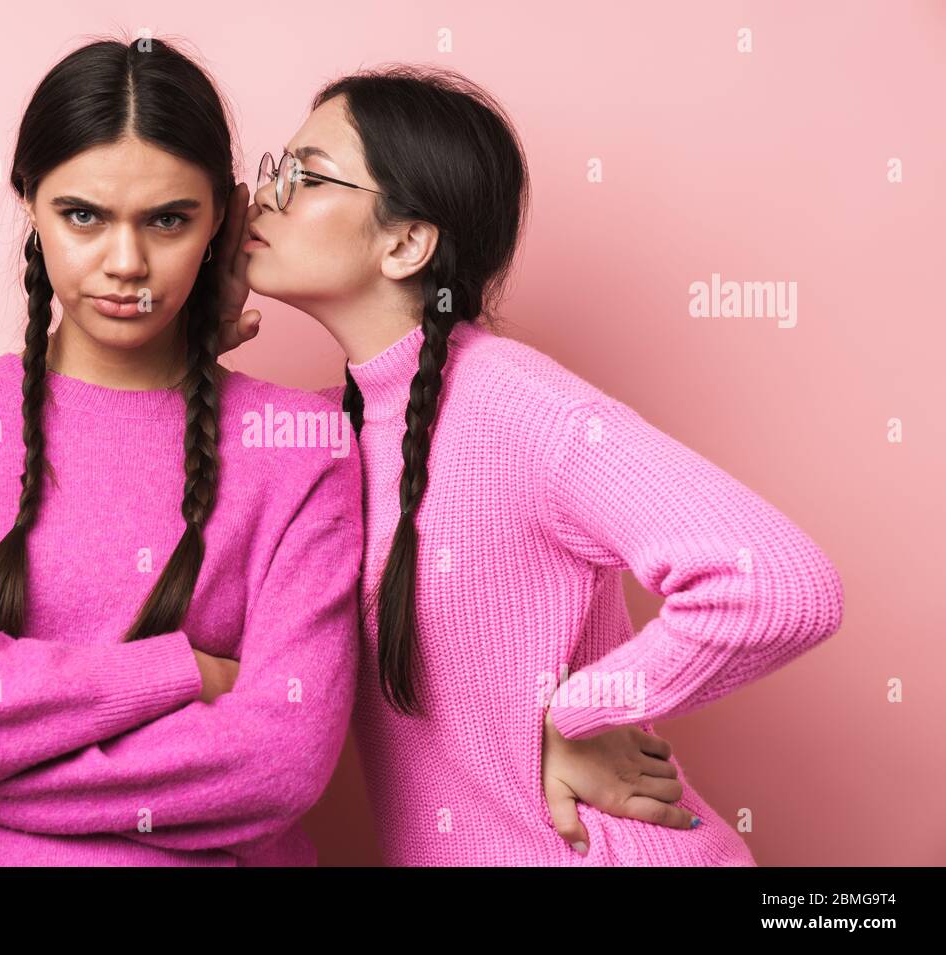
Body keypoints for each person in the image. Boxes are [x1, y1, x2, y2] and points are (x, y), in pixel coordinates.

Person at [219, 64, 845, 864]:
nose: (266, 195)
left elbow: (781, 581)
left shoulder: (510, 402)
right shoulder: (324, 430)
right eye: (280, 166)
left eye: (306, 175)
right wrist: (192, 347)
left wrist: (577, 713)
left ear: (407, 243)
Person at [0, 36, 363, 866]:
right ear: (28, 200)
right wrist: (176, 677)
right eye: (83, 216)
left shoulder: (304, 450)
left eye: (169, 219)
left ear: (226, 215)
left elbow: (277, 764)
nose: (126, 263)